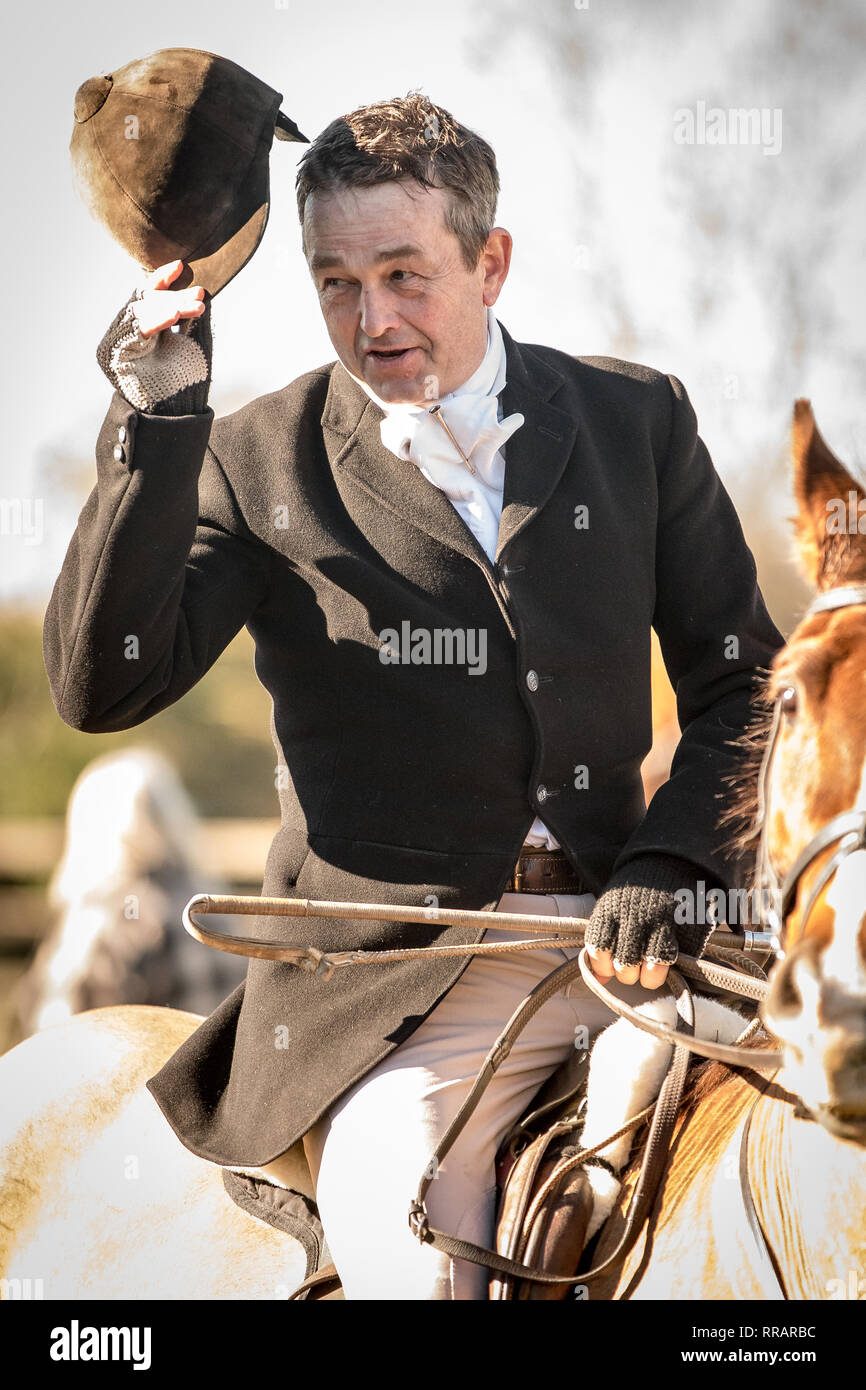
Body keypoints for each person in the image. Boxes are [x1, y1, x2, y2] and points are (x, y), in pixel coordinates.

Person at [43, 93, 784, 1299]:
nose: (369, 316)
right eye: (334, 279)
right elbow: (99, 684)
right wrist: (154, 420)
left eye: (403, 271)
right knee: (418, 1262)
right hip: (407, 976)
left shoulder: (636, 418)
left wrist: (678, 861)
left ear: (489, 262)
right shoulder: (249, 458)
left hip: (649, 942)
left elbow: (746, 683)